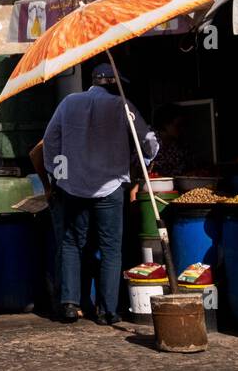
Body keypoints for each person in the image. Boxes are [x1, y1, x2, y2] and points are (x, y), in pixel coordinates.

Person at [42, 63, 158, 326]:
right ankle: (108, 311)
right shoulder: (122, 105)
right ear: (114, 83)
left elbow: (49, 140)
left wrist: (57, 173)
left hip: (73, 186)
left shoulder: (69, 103)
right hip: (110, 186)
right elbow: (149, 140)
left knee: (72, 244)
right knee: (110, 249)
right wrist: (147, 160)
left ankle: (70, 304)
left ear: (93, 81)